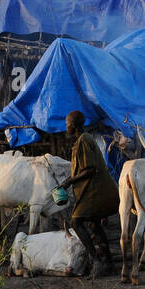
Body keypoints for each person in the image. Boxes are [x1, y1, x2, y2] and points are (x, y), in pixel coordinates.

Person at [58, 110, 117, 277]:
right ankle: (108, 263)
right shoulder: (83, 140)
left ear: (74, 126)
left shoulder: (84, 141)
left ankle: (95, 260)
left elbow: (90, 169)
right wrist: (68, 180)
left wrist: (70, 181)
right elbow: (83, 168)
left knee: (76, 222)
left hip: (95, 190)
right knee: (93, 224)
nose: (66, 127)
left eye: (67, 124)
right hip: (92, 189)